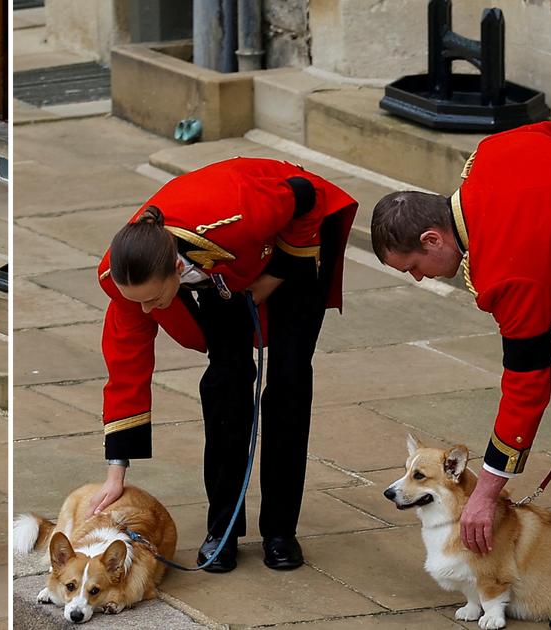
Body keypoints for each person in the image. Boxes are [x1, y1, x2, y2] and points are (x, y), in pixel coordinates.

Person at [370, 120, 551, 630]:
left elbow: (526, 387)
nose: (418, 278)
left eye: (413, 265)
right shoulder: (495, 150)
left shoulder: (505, 272)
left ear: (433, 238)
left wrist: (484, 496)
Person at [90, 158, 357, 572]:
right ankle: (223, 530)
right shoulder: (126, 277)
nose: (143, 309)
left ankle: (281, 531)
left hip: (293, 241)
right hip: (225, 271)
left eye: (151, 299)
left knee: (288, 377)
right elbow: (125, 370)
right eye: (136, 299)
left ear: (177, 269)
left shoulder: (237, 213)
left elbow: (307, 194)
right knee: (226, 379)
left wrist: (276, 275)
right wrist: (115, 473)